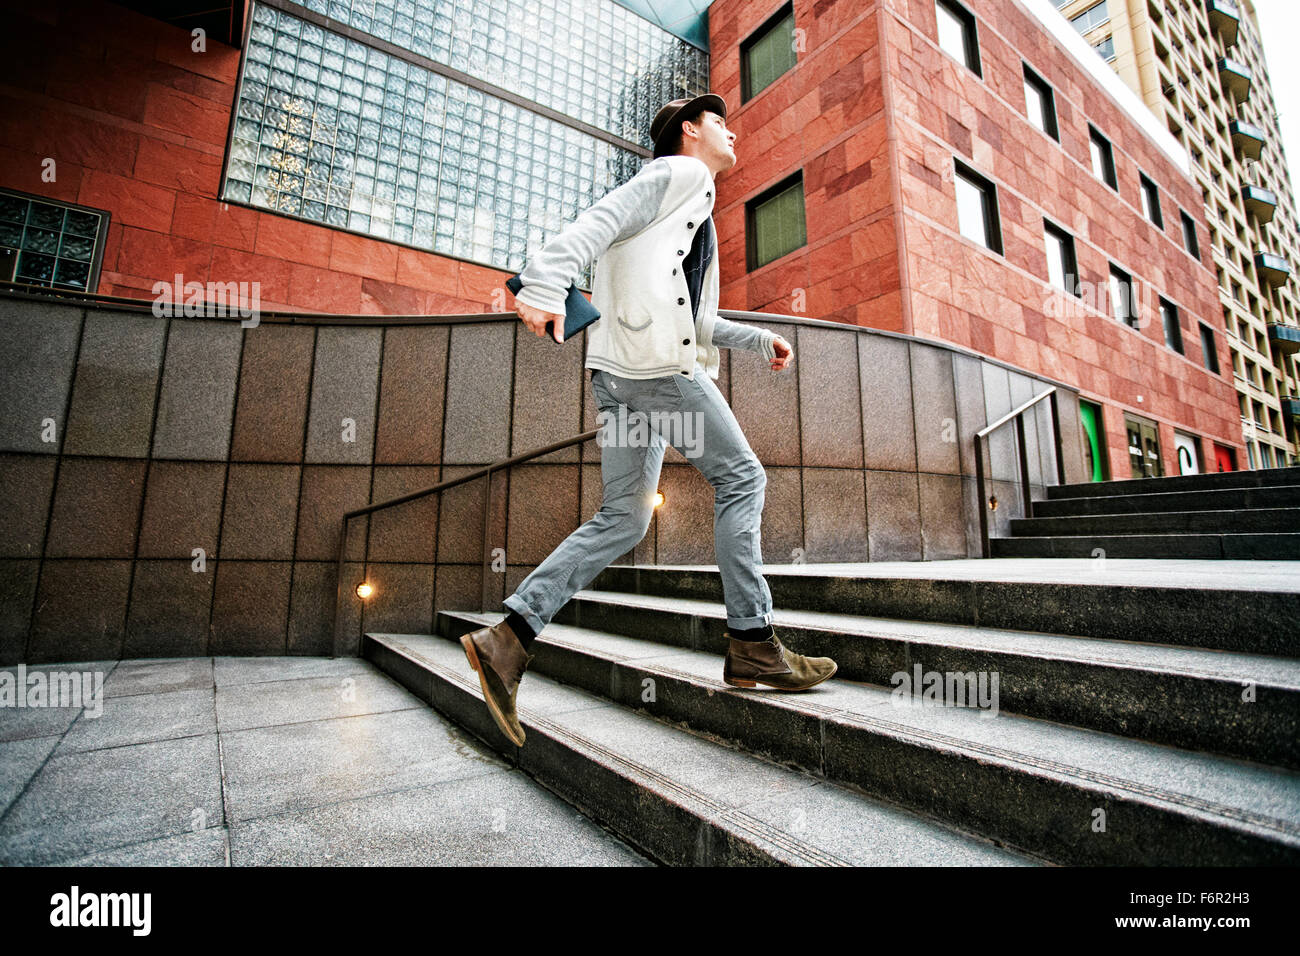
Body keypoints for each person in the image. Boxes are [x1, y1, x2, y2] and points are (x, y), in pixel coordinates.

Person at [460, 94, 837, 747]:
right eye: (719, 121)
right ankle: (753, 641)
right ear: (689, 132)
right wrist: (543, 279)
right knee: (743, 478)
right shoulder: (679, 175)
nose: (731, 129)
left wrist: (754, 339)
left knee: (625, 517)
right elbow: (597, 221)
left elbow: (693, 319)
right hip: (658, 372)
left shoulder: (683, 211)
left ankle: (508, 638)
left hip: (615, 378)